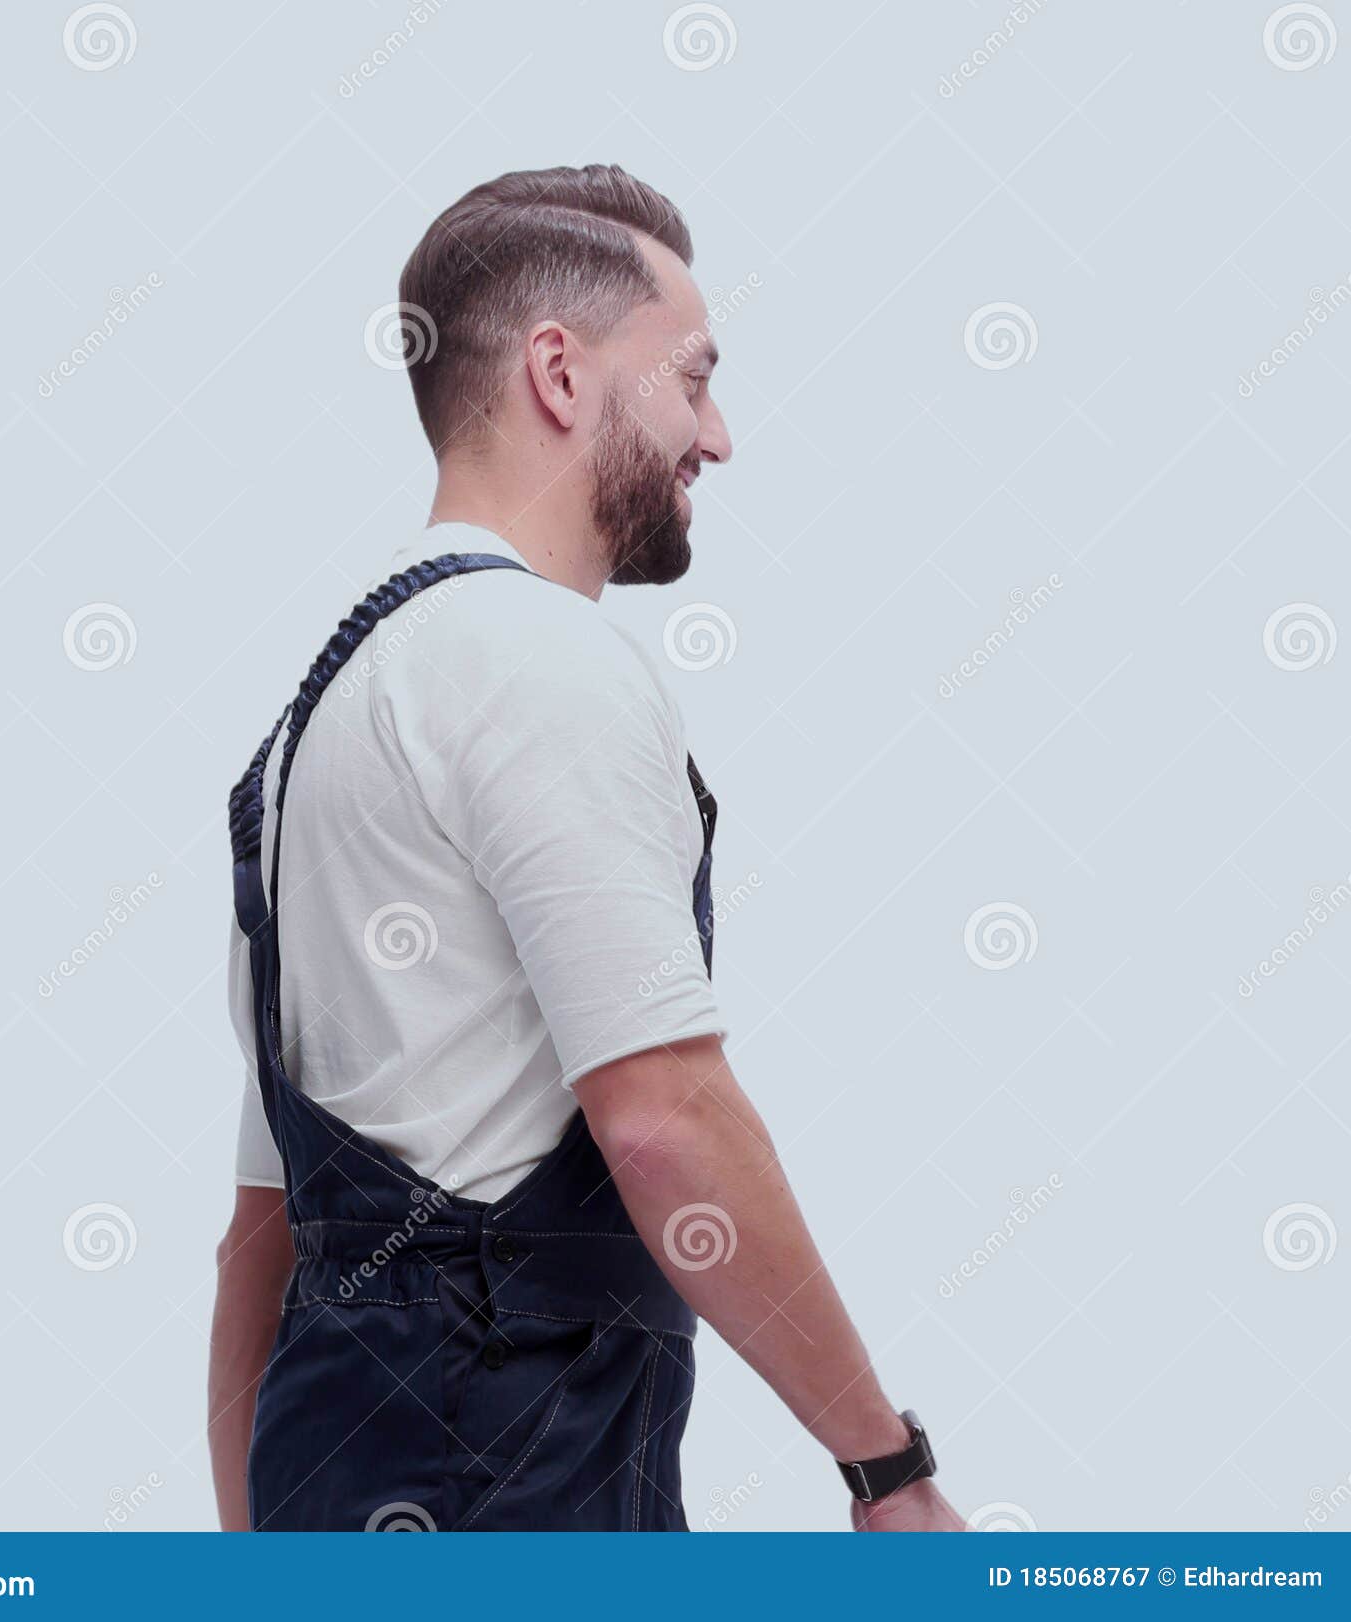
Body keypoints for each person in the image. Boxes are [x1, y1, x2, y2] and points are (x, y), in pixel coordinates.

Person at [209, 164, 963, 1533]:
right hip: (521, 1491)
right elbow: (666, 1116)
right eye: (693, 380)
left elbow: (261, 1240)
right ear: (559, 373)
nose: (716, 437)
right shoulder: (533, 657)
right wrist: (887, 1470)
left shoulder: (309, 735)